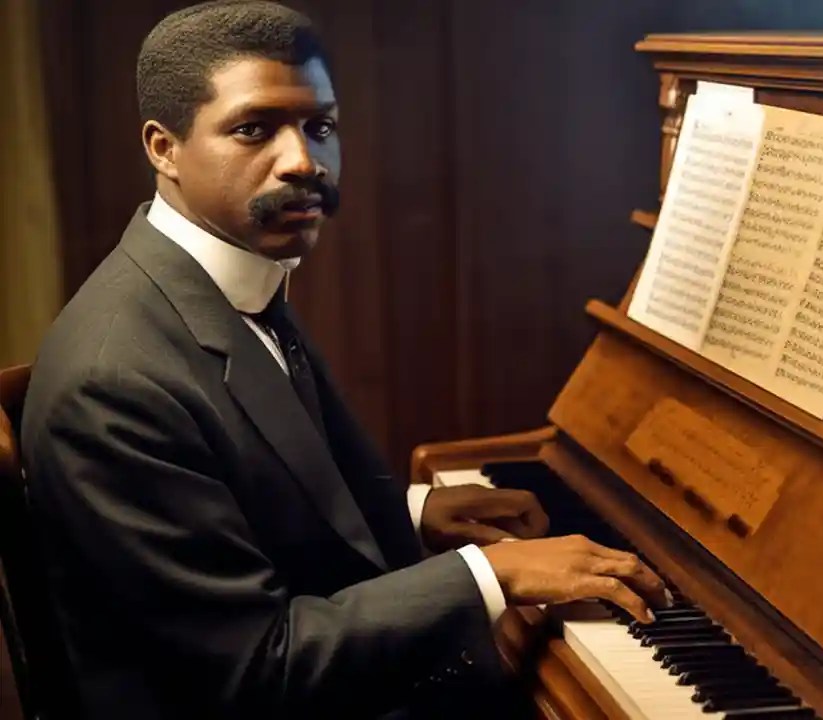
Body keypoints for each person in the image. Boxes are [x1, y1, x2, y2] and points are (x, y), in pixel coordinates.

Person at [19, 2, 667, 718]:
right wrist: (487, 573)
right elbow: (252, 669)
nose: (303, 160)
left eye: (319, 126)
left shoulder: (225, 282)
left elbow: (254, 492)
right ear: (163, 148)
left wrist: (412, 513)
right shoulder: (116, 379)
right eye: (253, 129)